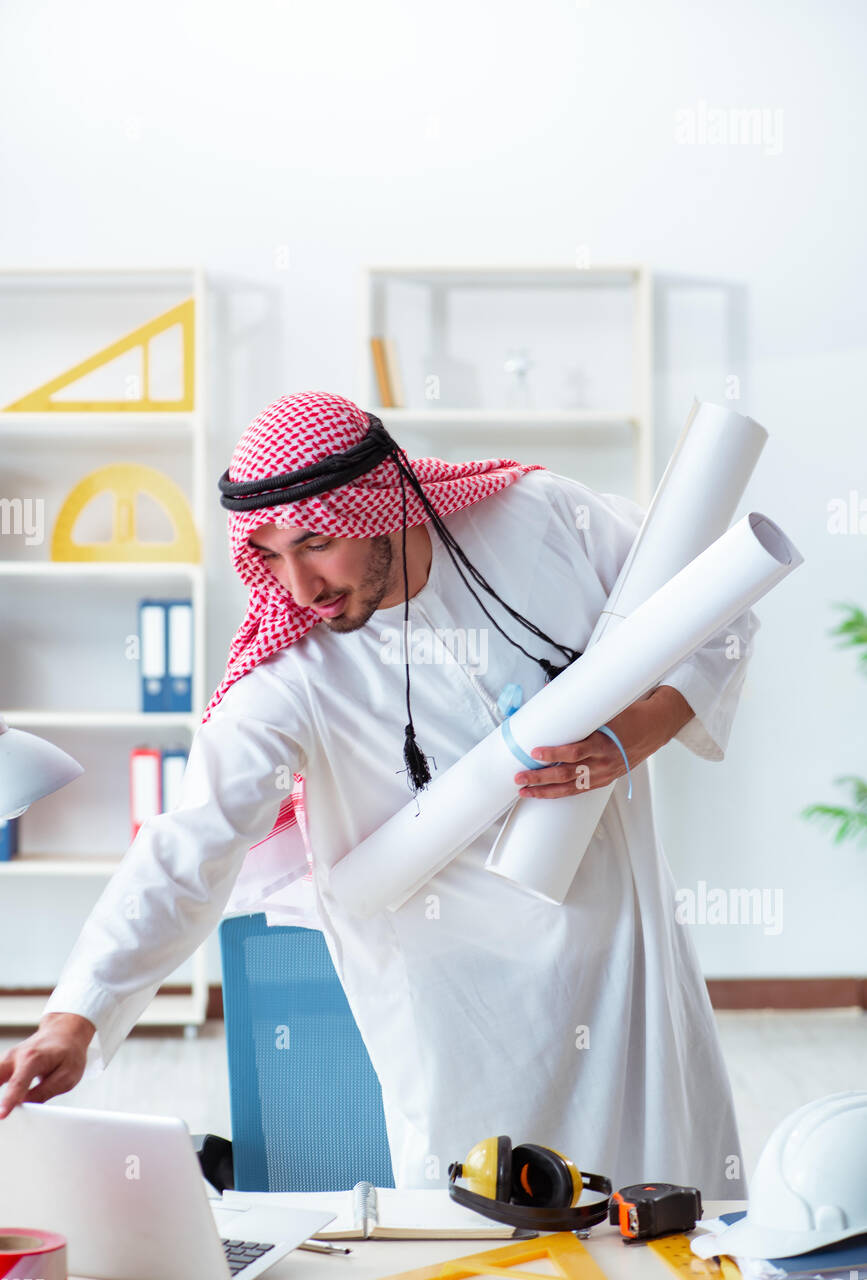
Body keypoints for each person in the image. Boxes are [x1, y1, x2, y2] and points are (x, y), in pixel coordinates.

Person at [0, 391, 757, 1201]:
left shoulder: (539, 521)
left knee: (670, 1207)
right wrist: (72, 1019)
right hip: (456, 1005)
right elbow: (189, 845)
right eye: (268, 554)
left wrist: (626, 738)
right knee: (493, 1234)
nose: (297, 586)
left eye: (316, 544)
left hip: (623, 947)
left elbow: (717, 609)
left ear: (385, 499)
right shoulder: (291, 675)